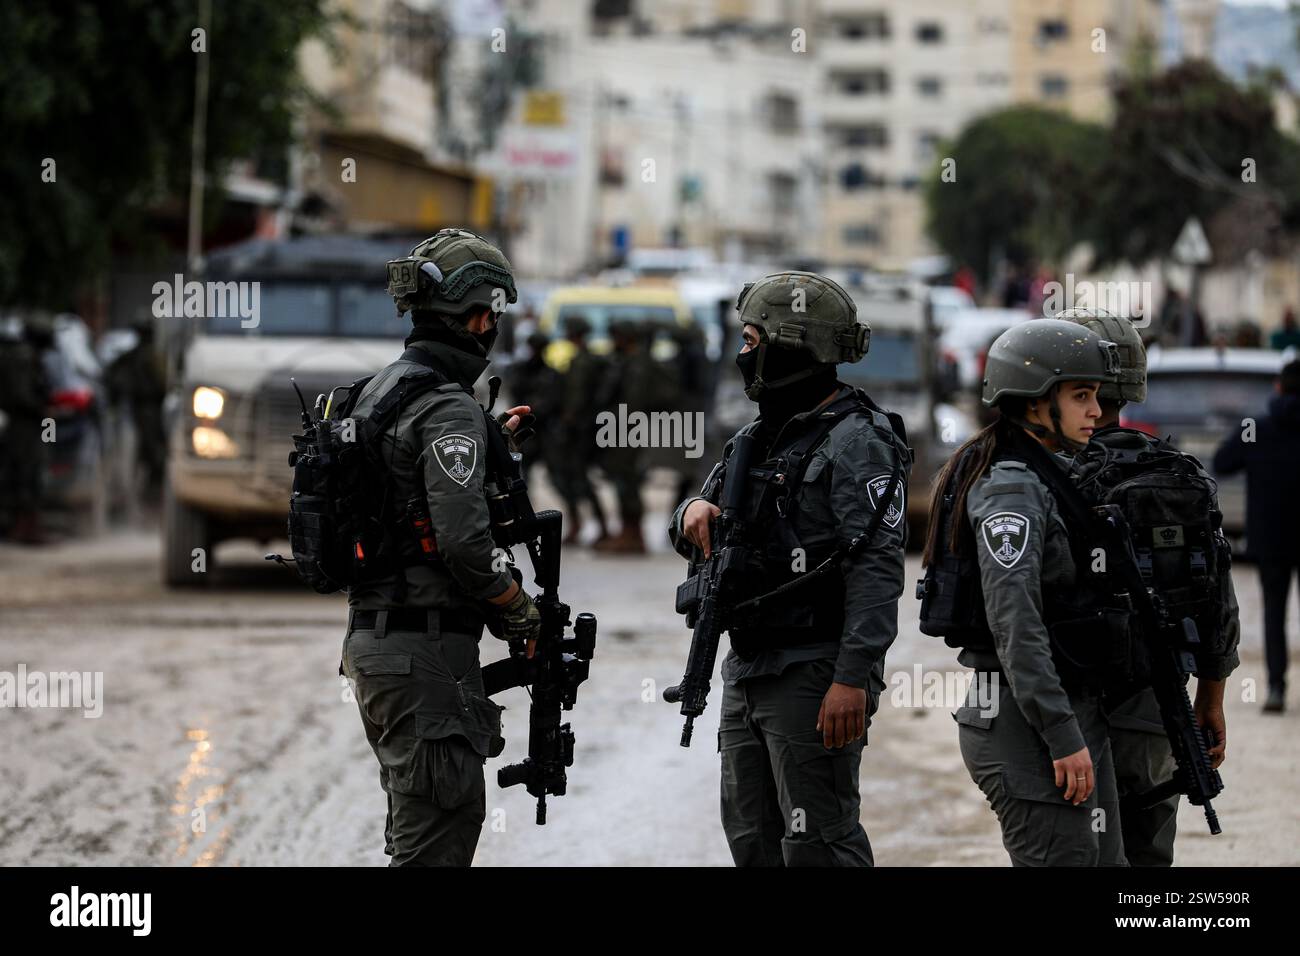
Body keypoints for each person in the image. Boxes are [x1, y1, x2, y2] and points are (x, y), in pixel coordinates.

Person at [670, 271, 911, 866]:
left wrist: (852, 677)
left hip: (813, 669)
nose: (743, 354)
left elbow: (878, 569)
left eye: (754, 340)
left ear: (792, 345)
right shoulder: (760, 436)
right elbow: (707, 524)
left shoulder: (858, 442)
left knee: (818, 845)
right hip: (749, 664)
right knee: (753, 841)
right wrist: (690, 512)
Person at [340, 228, 542, 866]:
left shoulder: (383, 390)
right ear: (478, 316)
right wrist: (519, 607)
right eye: (494, 316)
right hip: (424, 652)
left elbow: (410, 495)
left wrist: (489, 446)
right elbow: (463, 542)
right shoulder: (449, 408)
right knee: (436, 842)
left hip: (380, 646)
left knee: (418, 832)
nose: (494, 329)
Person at [923, 318, 1126, 866]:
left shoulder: (1052, 472)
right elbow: (1016, 622)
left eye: (1098, 397)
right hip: (1024, 721)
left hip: (1060, 709)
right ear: (1036, 403)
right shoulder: (1013, 487)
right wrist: (1061, 734)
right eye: (1081, 396)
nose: (1097, 412)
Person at [1063, 309, 1238, 866]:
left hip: (1058, 707)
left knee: (1066, 849)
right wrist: (1210, 698)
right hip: (1152, 702)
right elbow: (1215, 596)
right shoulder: (1177, 473)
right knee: (1147, 856)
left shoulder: (1032, 476)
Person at [1214, 359, 1300, 714]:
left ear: (1278, 388)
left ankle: (1276, 689)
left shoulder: (1256, 427)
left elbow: (1222, 462)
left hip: (1270, 537)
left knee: (1274, 613)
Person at [594, 318, 659, 554]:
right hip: (620, 427)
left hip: (629, 429)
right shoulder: (624, 360)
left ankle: (633, 535)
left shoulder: (637, 362)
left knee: (627, 480)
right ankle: (628, 532)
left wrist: (606, 416)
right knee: (622, 479)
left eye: (617, 336)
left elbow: (634, 402)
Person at [547, 315, 610, 546]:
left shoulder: (583, 361)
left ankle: (593, 526)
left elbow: (577, 398)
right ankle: (584, 524)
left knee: (577, 477)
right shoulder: (589, 359)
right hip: (585, 428)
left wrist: (567, 422)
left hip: (578, 430)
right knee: (573, 477)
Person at [0, 316, 53, 544]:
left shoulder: (27, 356)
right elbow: (23, 395)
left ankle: (28, 527)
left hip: (33, 422)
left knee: (31, 469)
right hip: (26, 424)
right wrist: (41, 408)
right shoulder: (24, 357)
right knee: (27, 472)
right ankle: (25, 529)